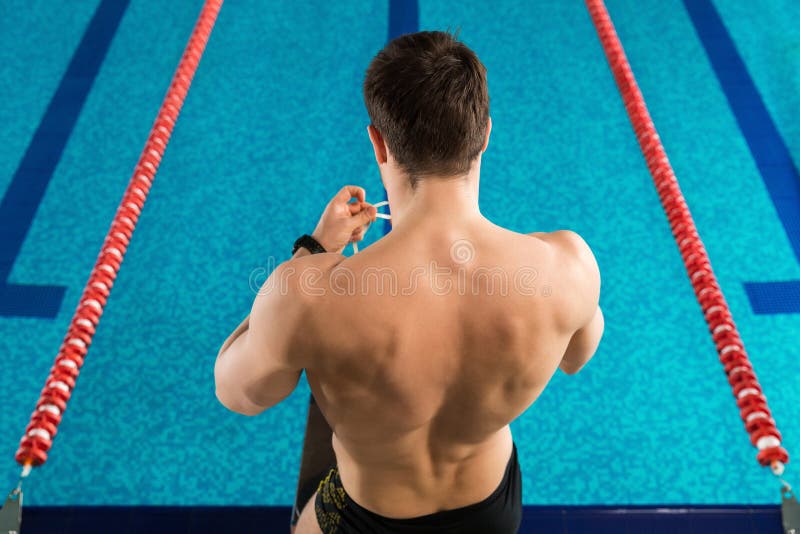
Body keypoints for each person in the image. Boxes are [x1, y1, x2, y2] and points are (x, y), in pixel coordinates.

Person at [214, 30, 603, 534]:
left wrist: (312, 252)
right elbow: (575, 356)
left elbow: (240, 393)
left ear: (378, 143)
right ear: (485, 133)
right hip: (491, 508)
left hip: (366, 516)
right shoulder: (566, 265)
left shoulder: (306, 295)